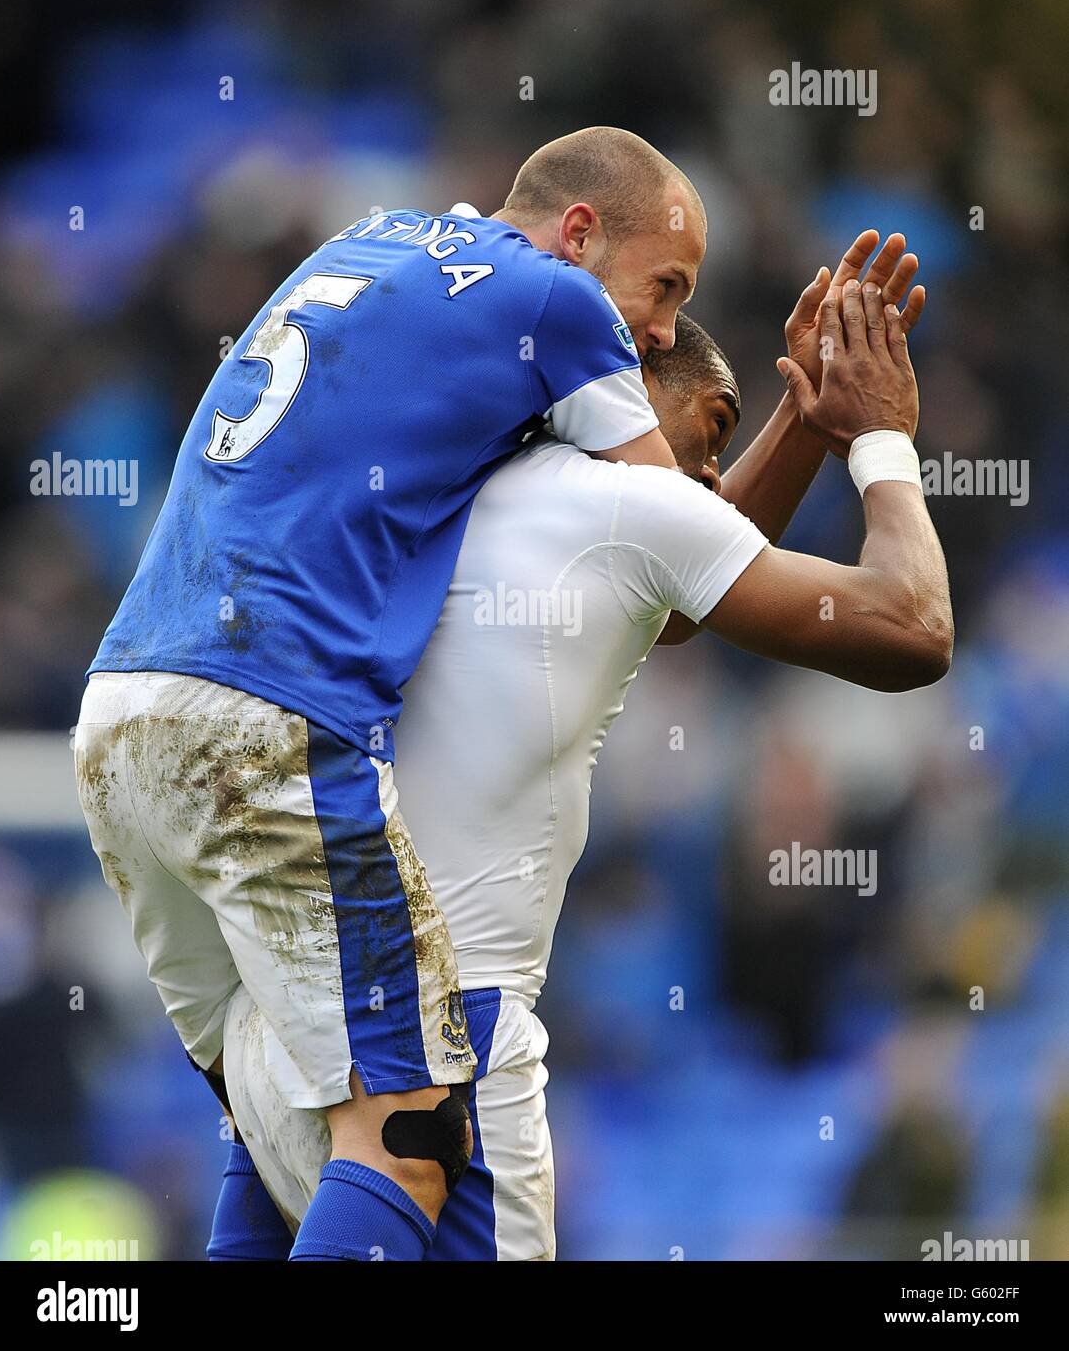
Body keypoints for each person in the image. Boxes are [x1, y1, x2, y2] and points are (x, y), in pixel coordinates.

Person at [222, 236, 952, 1259]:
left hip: (290, 1010)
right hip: (449, 1024)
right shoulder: (616, 510)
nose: (706, 474)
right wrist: (877, 439)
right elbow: (912, 630)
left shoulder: (448, 483)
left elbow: (681, 588)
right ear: (624, 388)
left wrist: (798, 414)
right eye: (707, 432)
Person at [74, 127, 708, 1263]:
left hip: (120, 710)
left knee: (285, 1146)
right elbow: (677, 549)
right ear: (577, 234)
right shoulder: (559, 304)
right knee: (410, 1134)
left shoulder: (364, 243)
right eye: (662, 287)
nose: (658, 327)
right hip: (263, 715)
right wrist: (833, 435)